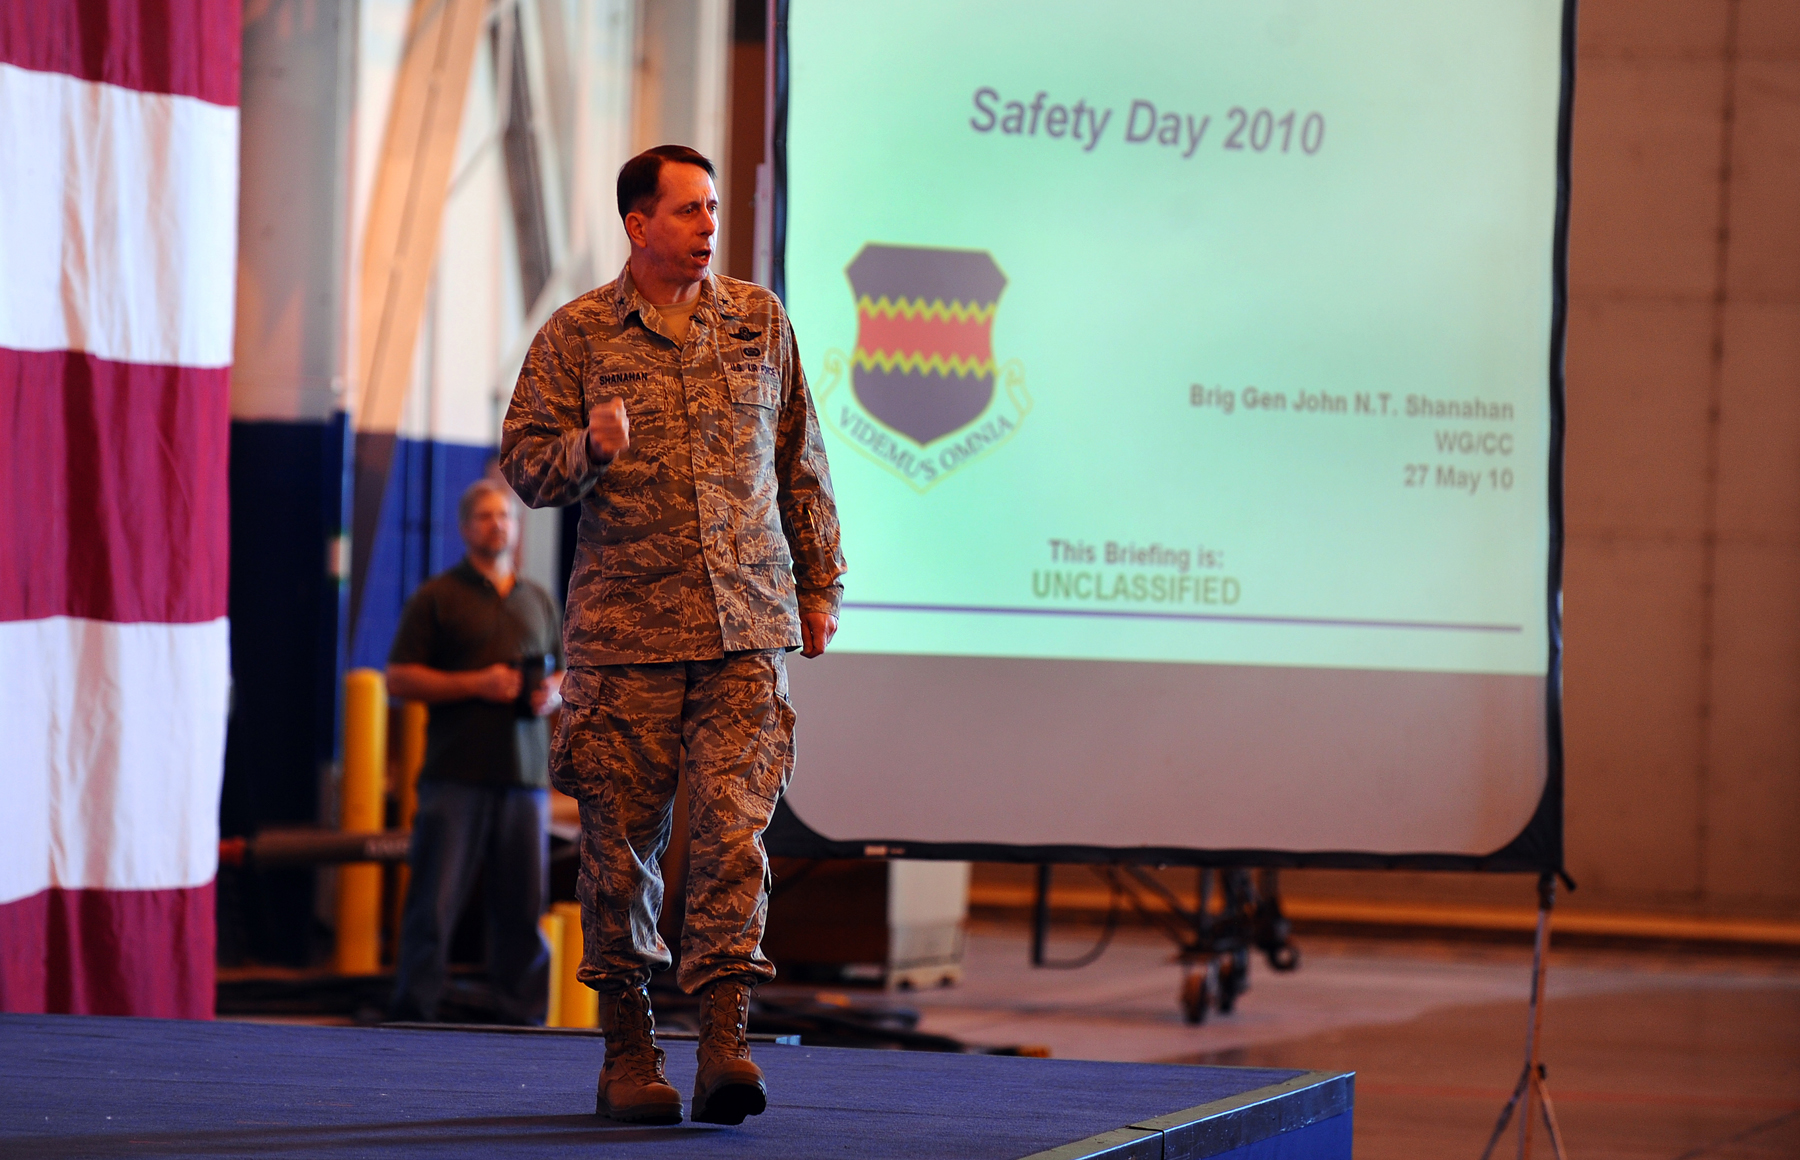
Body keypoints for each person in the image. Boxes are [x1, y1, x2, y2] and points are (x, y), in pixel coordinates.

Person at [499, 144, 845, 1126]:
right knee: (620, 851)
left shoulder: (758, 320)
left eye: (713, 209)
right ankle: (629, 1048)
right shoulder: (576, 336)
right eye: (688, 211)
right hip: (626, 639)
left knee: (736, 838)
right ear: (637, 223)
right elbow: (524, 469)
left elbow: (801, 460)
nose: (707, 226)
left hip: (747, 627)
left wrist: (819, 581)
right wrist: (587, 448)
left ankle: (727, 1040)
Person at [384, 477, 564, 1026]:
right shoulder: (437, 597)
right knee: (433, 910)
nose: (497, 525)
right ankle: (413, 1017)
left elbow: (564, 673)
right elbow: (398, 678)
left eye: (505, 516)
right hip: (454, 777)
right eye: (485, 516)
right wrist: (475, 684)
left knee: (521, 912)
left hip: (525, 781)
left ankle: (524, 1021)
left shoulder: (536, 600)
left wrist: (552, 693)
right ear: (465, 528)